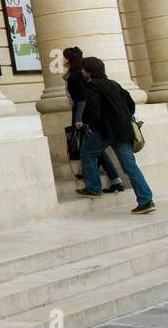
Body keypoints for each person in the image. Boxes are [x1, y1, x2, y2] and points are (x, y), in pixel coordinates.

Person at [74, 56, 156, 215]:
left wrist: (91, 122)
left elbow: (93, 108)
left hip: (106, 130)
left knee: (87, 152)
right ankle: (146, 200)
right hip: (124, 129)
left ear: (89, 70)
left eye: (83, 69)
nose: (82, 72)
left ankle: (93, 188)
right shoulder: (115, 84)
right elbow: (130, 105)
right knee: (130, 166)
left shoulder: (93, 86)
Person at [63, 46, 124, 193]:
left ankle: (100, 184)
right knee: (95, 149)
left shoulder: (75, 77)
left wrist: (78, 118)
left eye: (64, 57)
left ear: (69, 59)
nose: (62, 60)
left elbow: (81, 100)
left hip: (83, 116)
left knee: (92, 149)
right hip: (84, 114)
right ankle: (115, 180)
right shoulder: (78, 75)